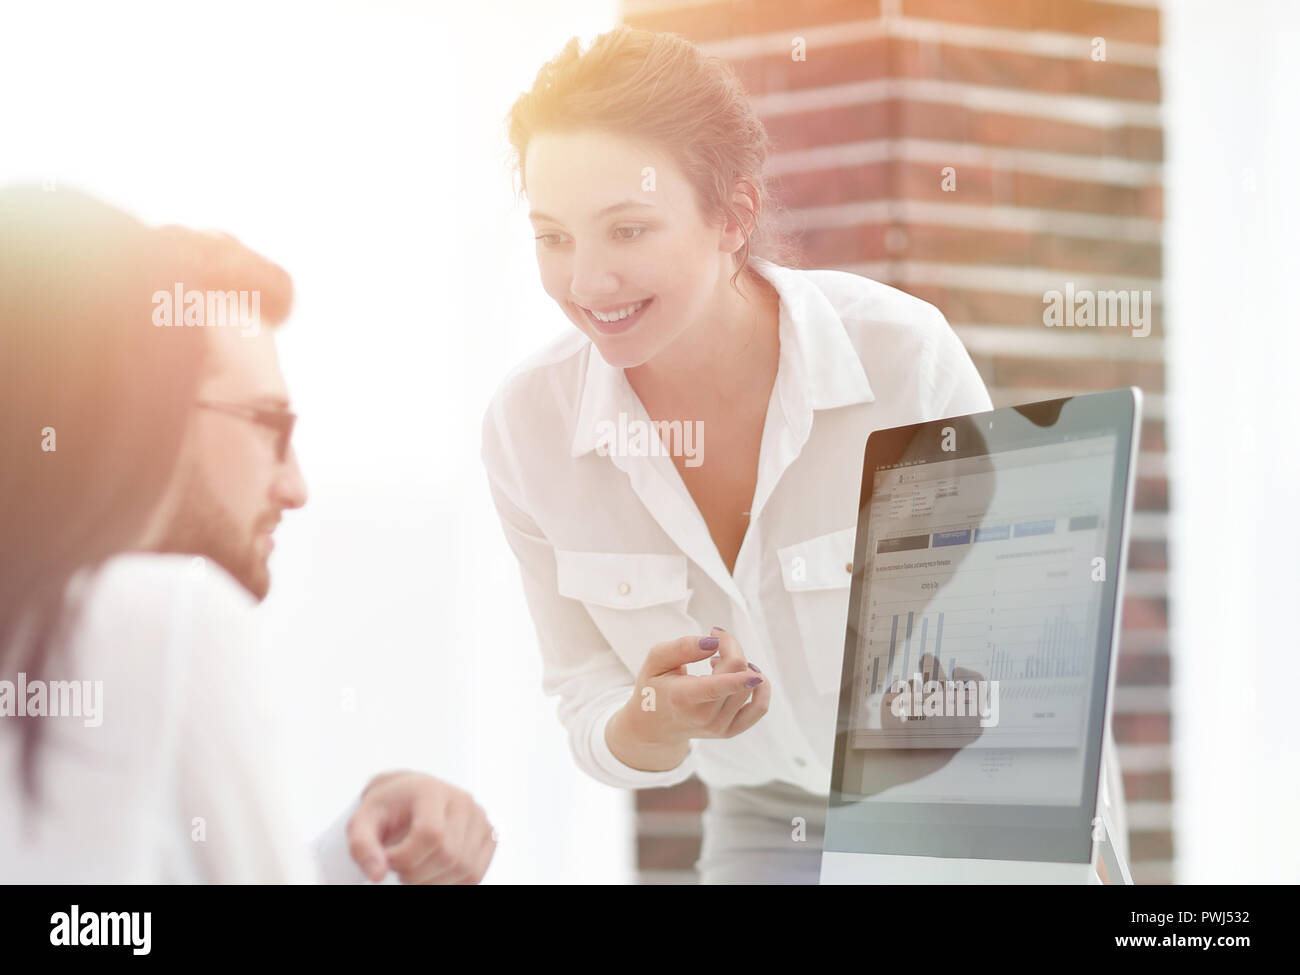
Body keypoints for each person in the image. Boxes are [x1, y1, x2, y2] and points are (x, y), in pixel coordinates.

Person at [481, 27, 1128, 883]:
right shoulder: (529, 430)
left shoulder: (899, 360)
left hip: (970, 787)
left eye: (627, 229)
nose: (587, 282)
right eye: (553, 237)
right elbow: (583, 691)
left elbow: (1025, 642)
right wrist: (648, 722)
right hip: (763, 814)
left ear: (735, 214)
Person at [0, 186, 495, 883]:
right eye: (269, 424)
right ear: (148, 406)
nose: (296, 486)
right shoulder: (161, 618)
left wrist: (356, 862)